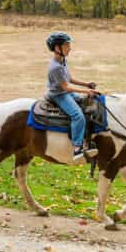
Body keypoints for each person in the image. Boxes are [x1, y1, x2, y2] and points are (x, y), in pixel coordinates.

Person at [45, 31, 99, 163]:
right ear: (57, 48)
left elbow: (70, 79)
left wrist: (86, 84)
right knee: (77, 115)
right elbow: (66, 87)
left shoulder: (63, 61)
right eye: (67, 45)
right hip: (58, 95)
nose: (70, 48)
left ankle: (87, 137)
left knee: (87, 105)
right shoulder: (55, 67)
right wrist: (87, 92)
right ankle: (77, 148)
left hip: (65, 92)